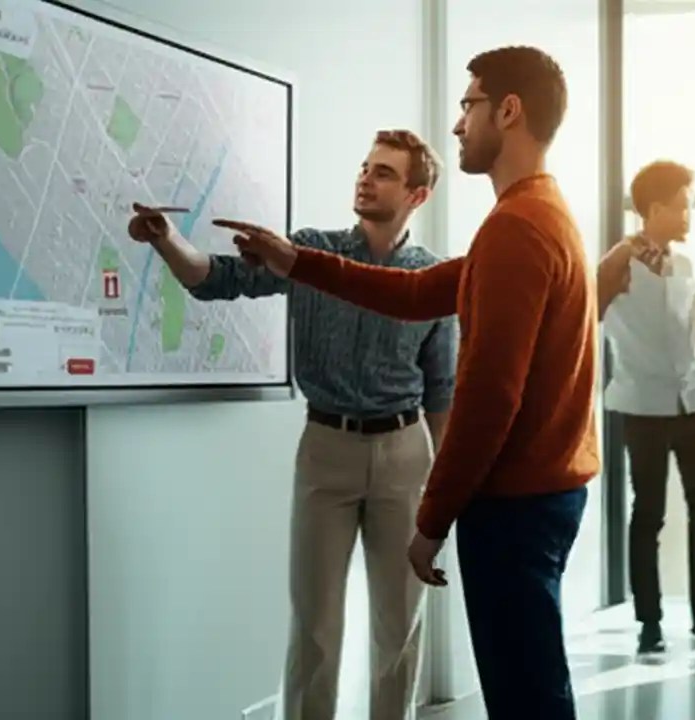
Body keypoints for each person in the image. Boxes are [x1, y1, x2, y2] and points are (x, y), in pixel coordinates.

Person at [215, 46, 597, 720]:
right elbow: (418, 292)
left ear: (508, 111)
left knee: (526, 696)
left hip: (516, 507)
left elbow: (488, 398)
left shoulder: (516, 228)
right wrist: (298, 261)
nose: (458, 123)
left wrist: (430, 518)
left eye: (469, 103)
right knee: (534, 683)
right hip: (545, 496)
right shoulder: (537, 215)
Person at [127, 130, 455, 720]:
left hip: (407, 454)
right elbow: (215, 279)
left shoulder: (432, 279)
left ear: (417, 194)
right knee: (315, 626)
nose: (365, 177)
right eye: (364, 166)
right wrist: (166, 239)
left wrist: (444, 491)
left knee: (399, 626)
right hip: (326, 448)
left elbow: (442, 393)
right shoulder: (309, 252)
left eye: (383, 172)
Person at [596, 160, 695, 655]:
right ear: (655, 209)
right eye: (682, 207)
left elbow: (689, 337)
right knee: (648, 512)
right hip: (642, 405)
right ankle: (649, 622)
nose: (688, 216)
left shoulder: (687, 265)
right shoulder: (617, 264)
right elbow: (585, 313)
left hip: (691, 403)